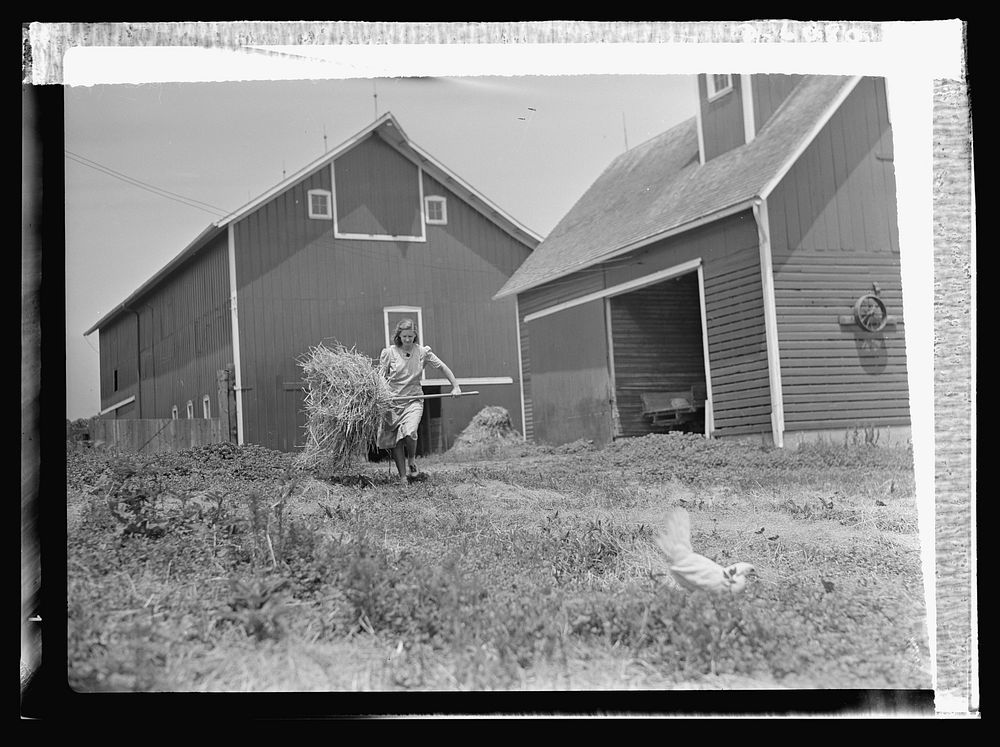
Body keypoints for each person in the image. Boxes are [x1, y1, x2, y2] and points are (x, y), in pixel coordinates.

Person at [377, 319, 461, 485]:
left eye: (410, 336)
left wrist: (456, 386)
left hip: (414, 400)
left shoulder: (423, 352)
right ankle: (402, 478)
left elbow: (442, 367)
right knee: (397, 442)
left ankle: (412, 460)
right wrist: (384, 394)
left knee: (410, 432)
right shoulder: (389, 353)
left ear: (415, 334)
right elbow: (380, 375)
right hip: (393, 403)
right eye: (404, 336)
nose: (407, 339)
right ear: (398, 336)